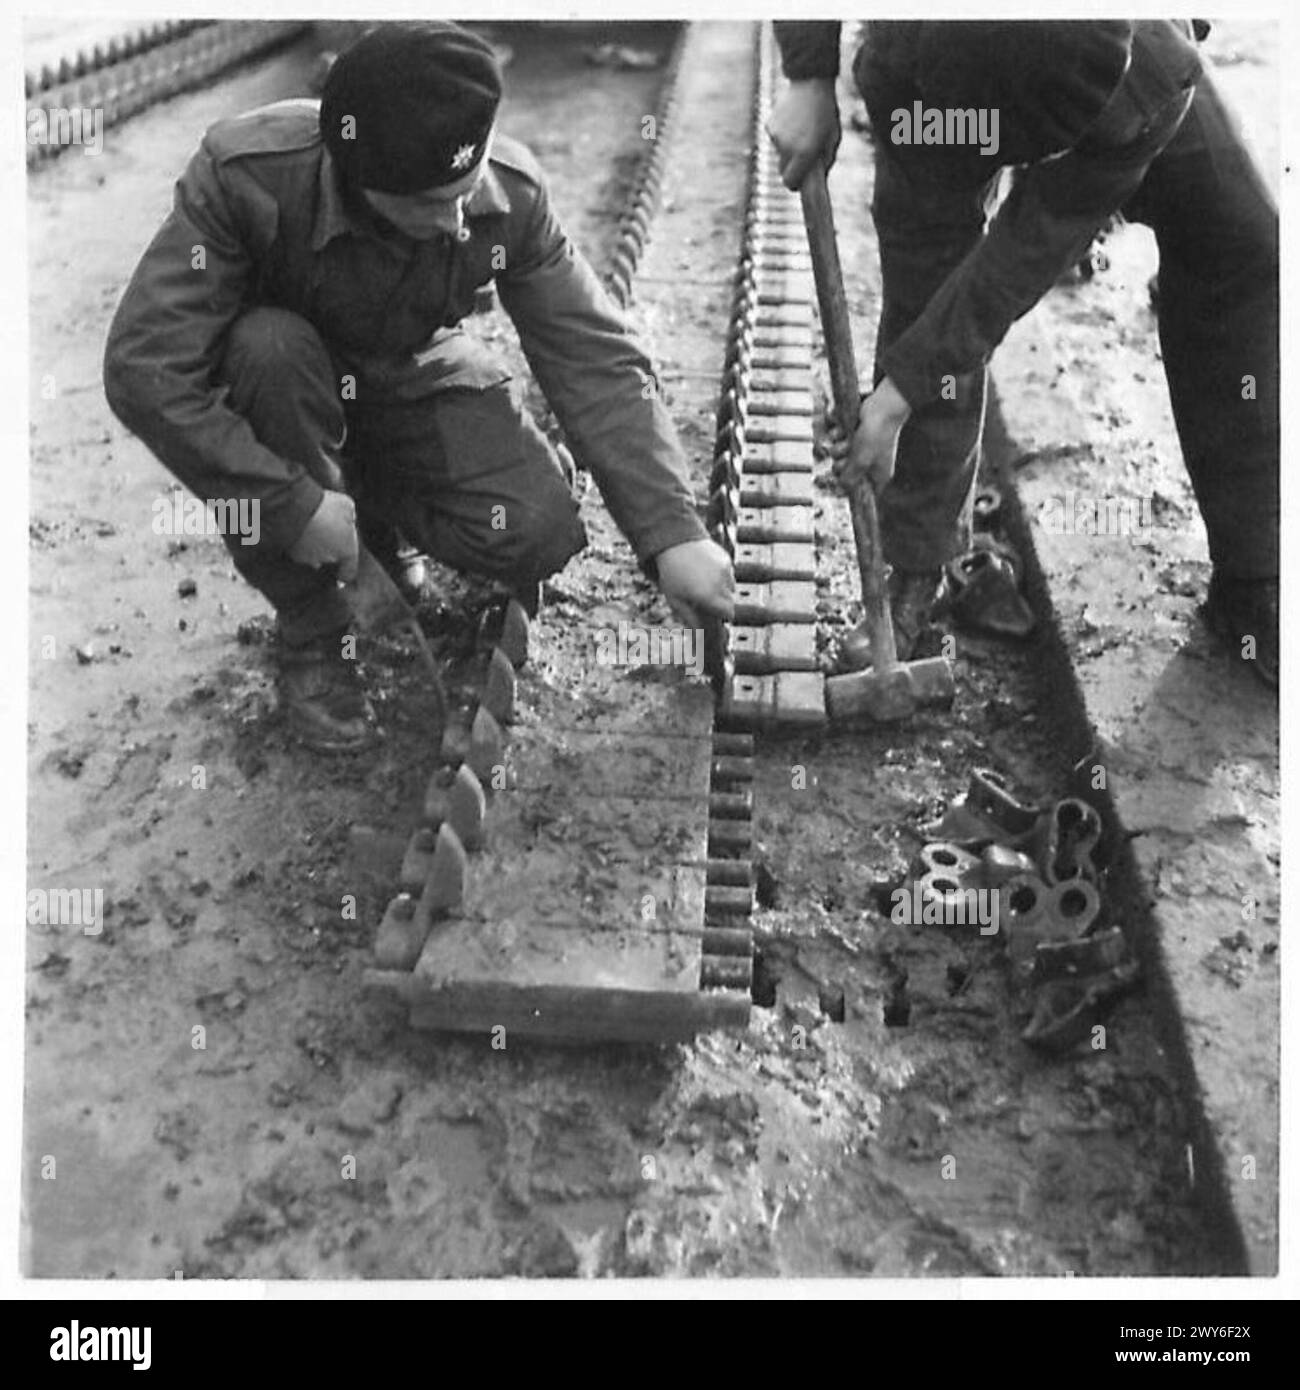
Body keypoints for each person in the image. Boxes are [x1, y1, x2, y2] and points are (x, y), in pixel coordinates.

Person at [105, 21, 735, 751]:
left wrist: (672, 534)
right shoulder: (248, 178)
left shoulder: (509, 195)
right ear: (357, 179)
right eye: (430, 205)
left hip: (403, 375)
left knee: (537, 529)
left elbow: (594, 356)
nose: (458, 218)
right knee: (268, 351)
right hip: (282, 396)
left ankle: (379, 519)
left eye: (464, 191)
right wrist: (288, 502)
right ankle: (313, 628)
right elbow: (144, 369)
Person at [769, 19, 1278, 687]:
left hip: (1124, 74)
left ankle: (1258, 567)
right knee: (929, 284)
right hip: (934, 82)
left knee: (1241, 239)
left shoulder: (1146, 67)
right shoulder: (913, 67)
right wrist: (808, 77)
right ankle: (919, 571)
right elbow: (943, 281)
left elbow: (1020, 258)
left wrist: (897, 395)